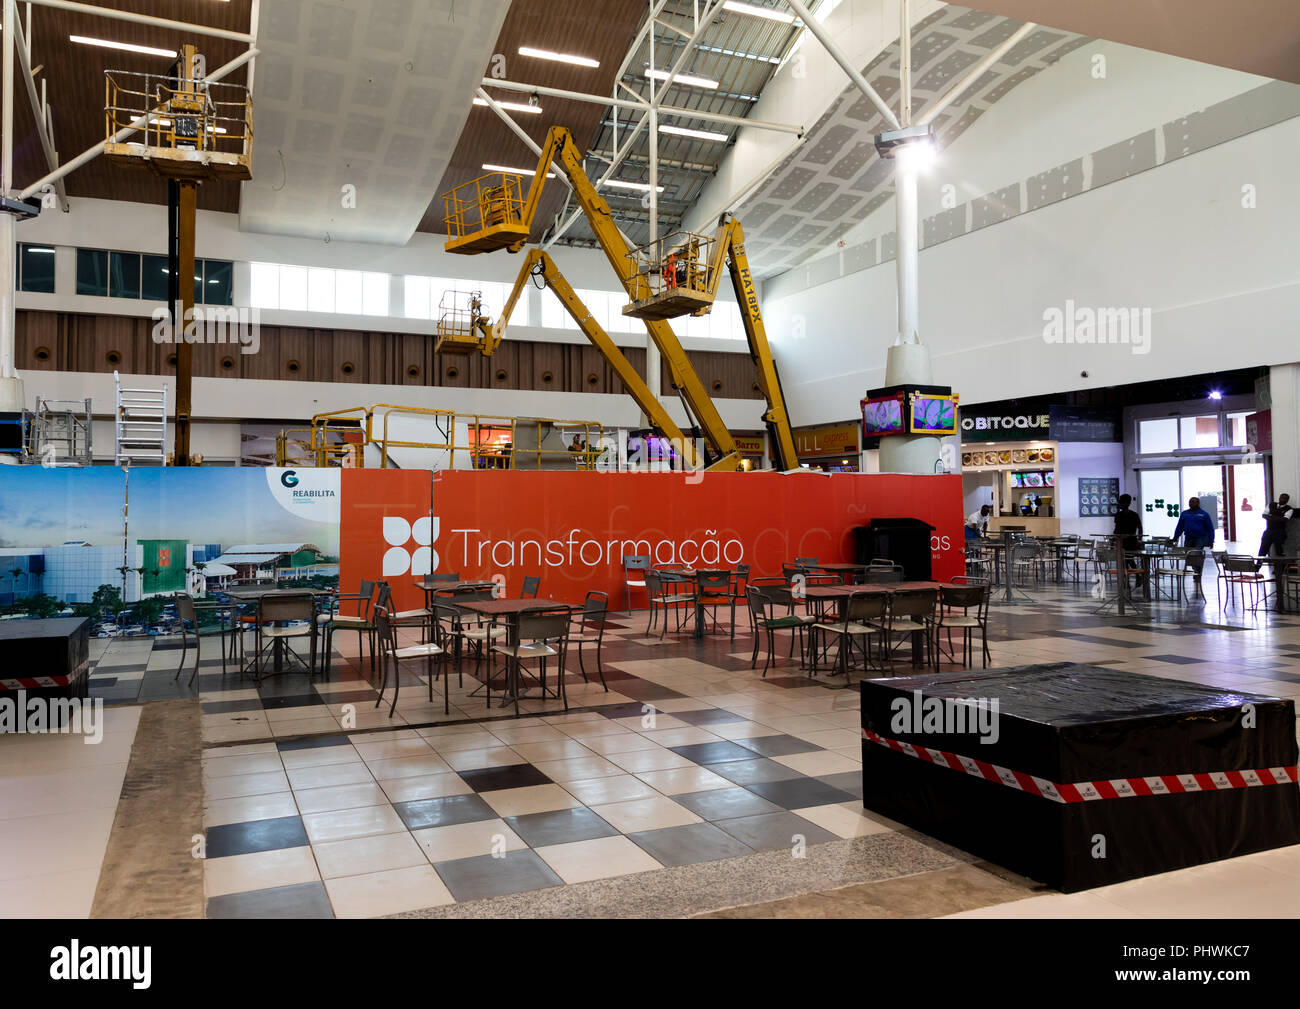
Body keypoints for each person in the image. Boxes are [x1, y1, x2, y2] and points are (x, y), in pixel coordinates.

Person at [1173, 496, 1216, 580]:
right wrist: (1175, 537)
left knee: (1196, 555)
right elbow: (1180, 527)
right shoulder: (1184, 514)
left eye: (1194, 502)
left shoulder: (1204, 514)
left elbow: (1210, 528)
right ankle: (1196, 570)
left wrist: (1211, 540)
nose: (1191, 503)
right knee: (1189, 556)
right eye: (1190, 502)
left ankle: (1198, 573)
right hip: (1188, 538)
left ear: (1198, 503)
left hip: (1200, 539)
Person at [1113, 493, 1144, 587]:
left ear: (1127, 503)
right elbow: (1116, 528)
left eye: (1122, 503)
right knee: (1125, 560)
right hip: (1121, 541)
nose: (1120, 505)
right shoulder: (1118, 515)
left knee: (1129, 559)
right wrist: (1114, 539)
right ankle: (1131, 576)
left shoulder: (1134, 515)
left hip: (1131, 541)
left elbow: (1140, 528)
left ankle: (1134, 576)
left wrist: (1139, 538)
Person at [1257, 493, 1293, 568]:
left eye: (1285, 499)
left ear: (1287, 500)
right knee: (1263, 549)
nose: (1283, 500)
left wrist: (1271, 516)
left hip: (1280, 532)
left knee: (1279, 551)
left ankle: (1279, 570)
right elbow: (1264, 515)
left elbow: (1285, 520)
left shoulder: (1289, 509)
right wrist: (1278, 518)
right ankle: (1257, 567)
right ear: (1279, 498)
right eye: (1282, 498)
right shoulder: (1271, 504)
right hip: (1269, 530)